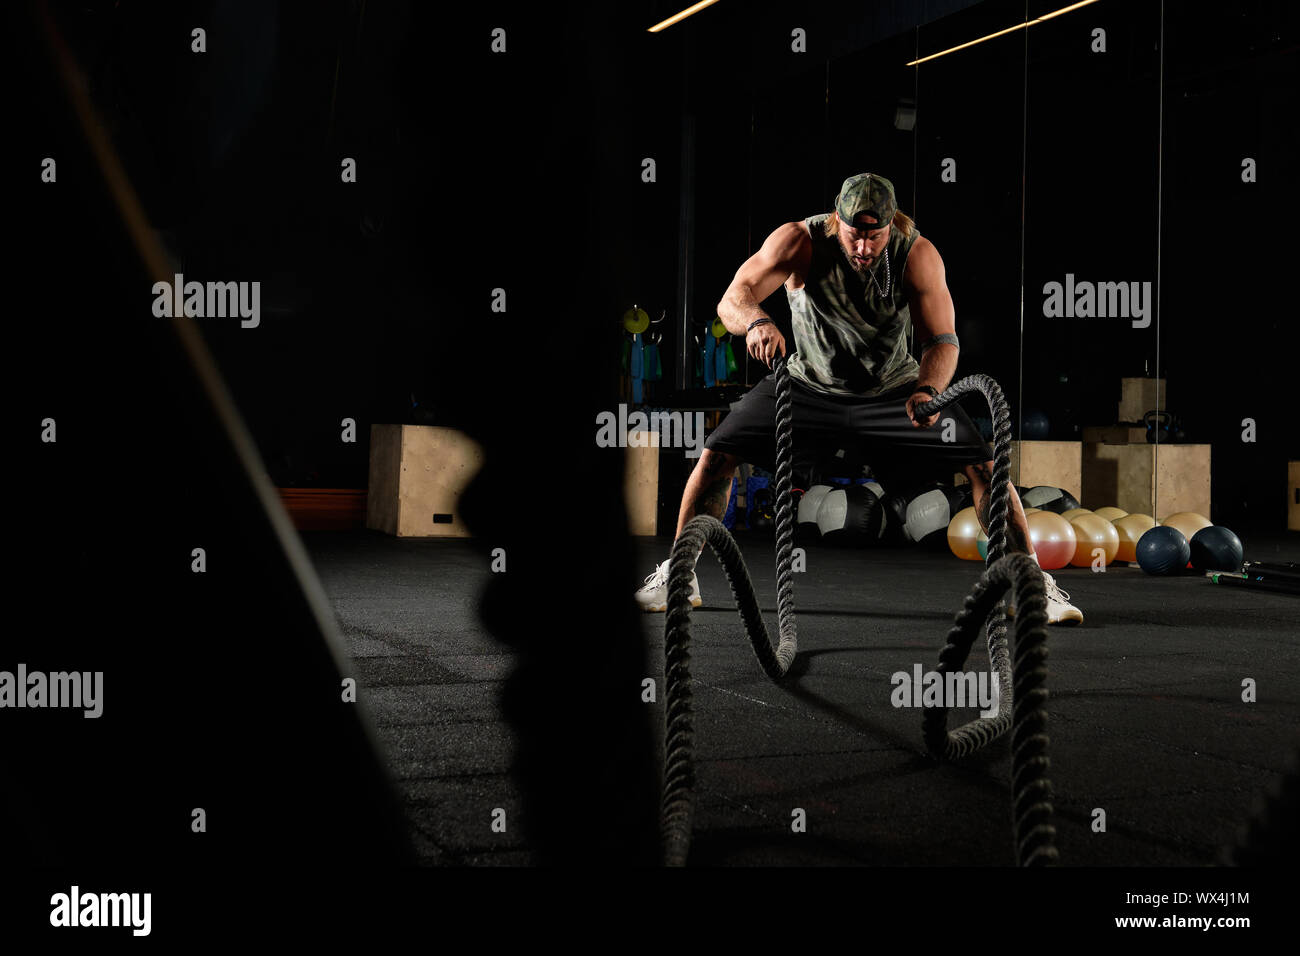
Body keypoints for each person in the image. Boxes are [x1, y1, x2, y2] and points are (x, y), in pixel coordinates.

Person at [636, 172, 1083, 625]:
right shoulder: (799, 240)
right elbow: (734, 297)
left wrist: (929, 388)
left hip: (895, 390)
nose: (865, 248)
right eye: (855, 235)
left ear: (893, 224)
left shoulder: (917, 253)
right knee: (717, 454)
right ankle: (679, 574)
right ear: (836, 219)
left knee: (984, 465)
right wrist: (755, 321)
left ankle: (1029, 585)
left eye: (876, 236)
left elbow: (942, 340)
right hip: (807, 385)